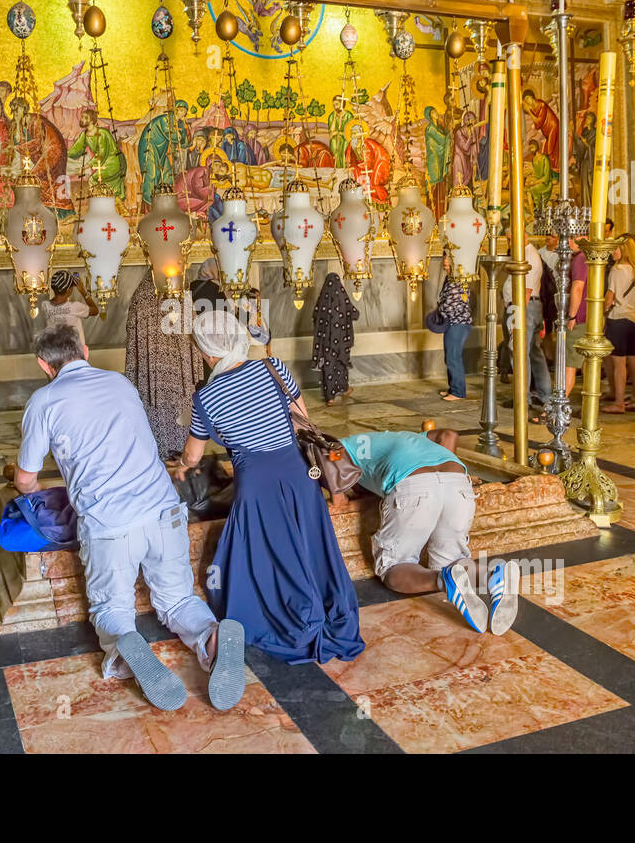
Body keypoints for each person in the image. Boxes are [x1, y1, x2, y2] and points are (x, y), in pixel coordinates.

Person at [14, 325, 245, 711]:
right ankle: (213, 637)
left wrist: (30, 489)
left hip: (109, 525)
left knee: (112, 609)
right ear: (85, 350)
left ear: (43, 364)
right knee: (177, 599)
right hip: (164, 509)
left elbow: (26, 478)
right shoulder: (120, 383)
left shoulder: (43, 402)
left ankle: (126, 646)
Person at [173, 310, 364, 665]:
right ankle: (320, 607)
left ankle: (286, 616)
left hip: (256, 487)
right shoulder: (273, 367)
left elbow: (193, 453)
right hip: (297, 475)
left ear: (207, 352)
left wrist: (182, 467)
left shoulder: (206, 398)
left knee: (267, 553)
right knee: (308, 544)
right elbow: (302, 420)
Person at [338, 428, 520, 635]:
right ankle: (492, 575)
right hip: (458, 484)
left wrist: (339, 499)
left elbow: (331, 469)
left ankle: (444, 581)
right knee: (451, 560)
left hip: (415, 487)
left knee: (393, 567)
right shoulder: (409, 437)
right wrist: (438, 484)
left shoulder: (345, 445)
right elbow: (450, 434)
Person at [124, 274, 205, 459]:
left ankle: (160, 456)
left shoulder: (141, 296)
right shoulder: (180, 292)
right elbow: (194, 332)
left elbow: (133, 337)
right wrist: (195, 367)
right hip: (180, 372)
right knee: (180, 415)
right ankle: (183, 457)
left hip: (153, 374)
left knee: (156, 416)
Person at [505, 229, 553, 416]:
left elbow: (526, 291)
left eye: (511, 239)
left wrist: (516, 315)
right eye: (508, 239)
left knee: (518, 351)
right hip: (523, 307)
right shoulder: (522, 253)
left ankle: (523, 398)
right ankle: (544, 394)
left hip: (523, 307)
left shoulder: (530, 255)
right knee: (533, 352)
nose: (509, 243)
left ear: (523, 236)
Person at [602, 241, 635, 413]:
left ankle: (619, 402)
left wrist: (603, 311)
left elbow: (610, 296)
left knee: (618, 362)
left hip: (619, 318)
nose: (612, 252)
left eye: (616, 248)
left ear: (625, 250)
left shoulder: (617, 269)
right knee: (634, 361)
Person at [312, 272, 359, 406]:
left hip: (326, 342)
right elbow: (355, 314)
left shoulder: (322, 301)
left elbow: (315, 316)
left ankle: (330, 397)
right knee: (341, 364)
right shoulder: (343, 298)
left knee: (328, 367)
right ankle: (343, 389)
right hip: (342, 341)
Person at [435, 255, 473, 401]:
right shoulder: (450, 278)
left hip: (459, 323)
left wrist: (439, 311)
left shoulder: (459, 279)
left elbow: (453, 304)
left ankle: (458, 392)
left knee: (453, 357)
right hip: (451, 322)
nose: (445, 261)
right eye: (444, 258)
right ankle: (453, 388)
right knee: (449, 356)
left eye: (448, 259)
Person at [40, 270, 98, 347]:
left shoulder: (45, 306)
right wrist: (83, 292)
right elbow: (95, 310)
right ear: (68, 290)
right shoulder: (75, 307)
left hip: (54, 352)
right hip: (75, 353)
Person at [564, 235, 589, 395]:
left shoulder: (580, 258)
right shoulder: (587, 256)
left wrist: (572, 316)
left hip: (579, 317)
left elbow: (578, 287)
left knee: (569, 362)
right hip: (588, 315)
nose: (568, 242)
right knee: (587, 361)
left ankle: (559, 402)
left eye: (573, 237)